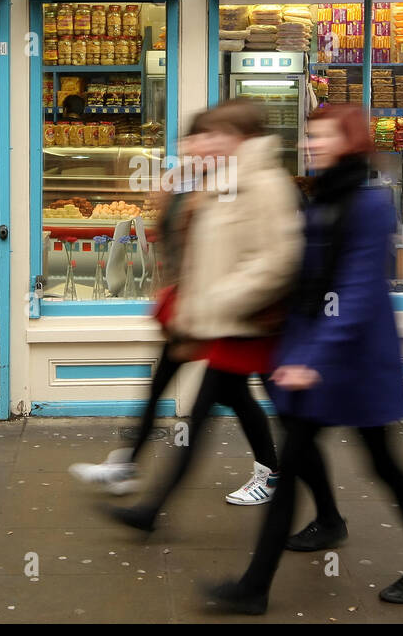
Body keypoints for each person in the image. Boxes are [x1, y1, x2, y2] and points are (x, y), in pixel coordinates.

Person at [208, 104, 403, 615]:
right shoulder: (318, 197)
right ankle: (260, 582)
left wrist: (310, 357)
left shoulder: (369, 205)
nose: (312, 144)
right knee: (294, 457)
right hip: (318, 355)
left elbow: (357, 294)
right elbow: (306, 282)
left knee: (384, 465)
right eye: (309, 135)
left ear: (351, 141)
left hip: (359, 361)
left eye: (322, 136)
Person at [106, 99, 304, 531]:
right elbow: (202, 253)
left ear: (239, 138)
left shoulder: (261, 183)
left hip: (253, 324)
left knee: (286, 426)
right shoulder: (222, 180)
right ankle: (150, 509)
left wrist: (216, 300)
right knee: (212, 416)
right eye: (200, 135)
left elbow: (275, 260)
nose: (201, 142)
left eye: (213, 134)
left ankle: (311, 506)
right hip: (229, 321)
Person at [68, 112, 212, 495]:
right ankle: (128, 466)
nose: (188, 148)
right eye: (187, 141)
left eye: (198, 140)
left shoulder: (219, 190)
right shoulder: (184, 186)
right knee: (164, 389)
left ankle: (281, 469)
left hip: (210, 312)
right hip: (188, 309)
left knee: (230, 399)